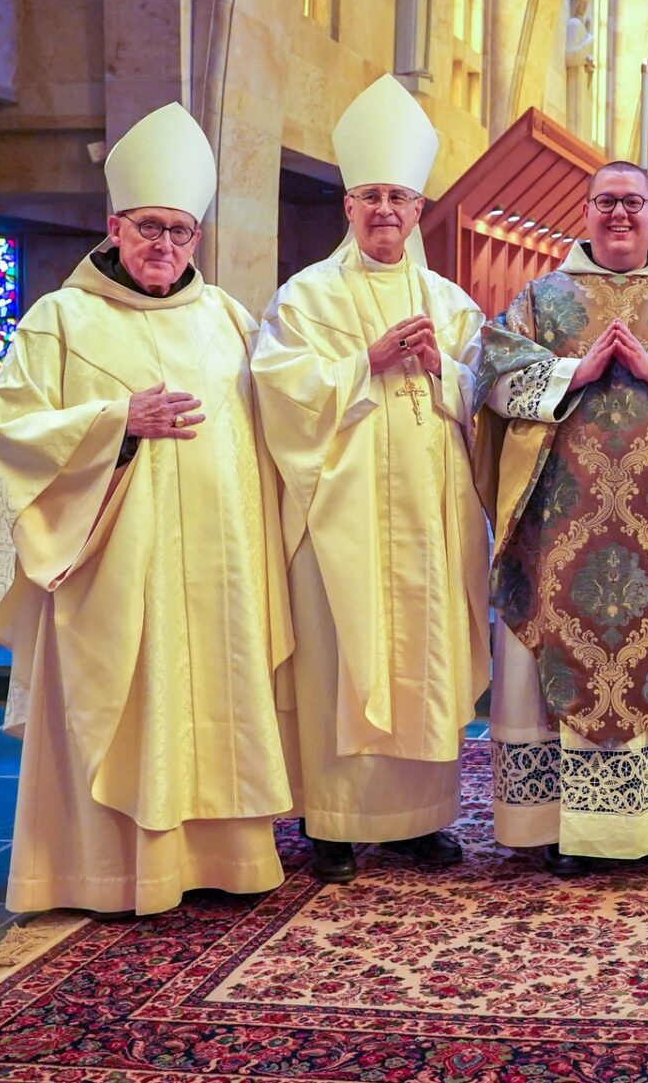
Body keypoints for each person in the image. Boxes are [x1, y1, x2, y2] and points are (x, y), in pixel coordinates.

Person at [0, 103, 292, 915]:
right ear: (111, 224)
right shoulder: (58, 318)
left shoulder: (225, 317)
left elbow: (270, 431)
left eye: (181, 230)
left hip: (217, 568)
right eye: (149, 225)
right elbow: (12, 432)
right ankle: (101, 872)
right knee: (121, 702)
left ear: (197, 237)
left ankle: (220, 859)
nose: (164, 244)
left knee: (212, 697)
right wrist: (120, 423)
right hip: (111, 569)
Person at [476, 161, 648, 875]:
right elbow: (496, 376)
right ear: (586, 209)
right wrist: (576, 372)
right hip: (562, 527)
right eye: (607, 202)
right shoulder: (542, 297)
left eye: (632, 202)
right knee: (568, 655)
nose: (620, 215)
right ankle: (568, 830)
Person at [253, 75, 489, 884]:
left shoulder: (452, 303)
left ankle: (420, 822)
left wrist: (440, 368)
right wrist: (369, 361)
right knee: (339, 659)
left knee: (425, 659)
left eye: (399, 196)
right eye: (370, 196)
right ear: (348, 206)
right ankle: (332, 822)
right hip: (340, 518)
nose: (385, 210)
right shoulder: (306, 296)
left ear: (418, 209)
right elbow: (278, 391)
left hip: (430, 517)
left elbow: (484, 400)